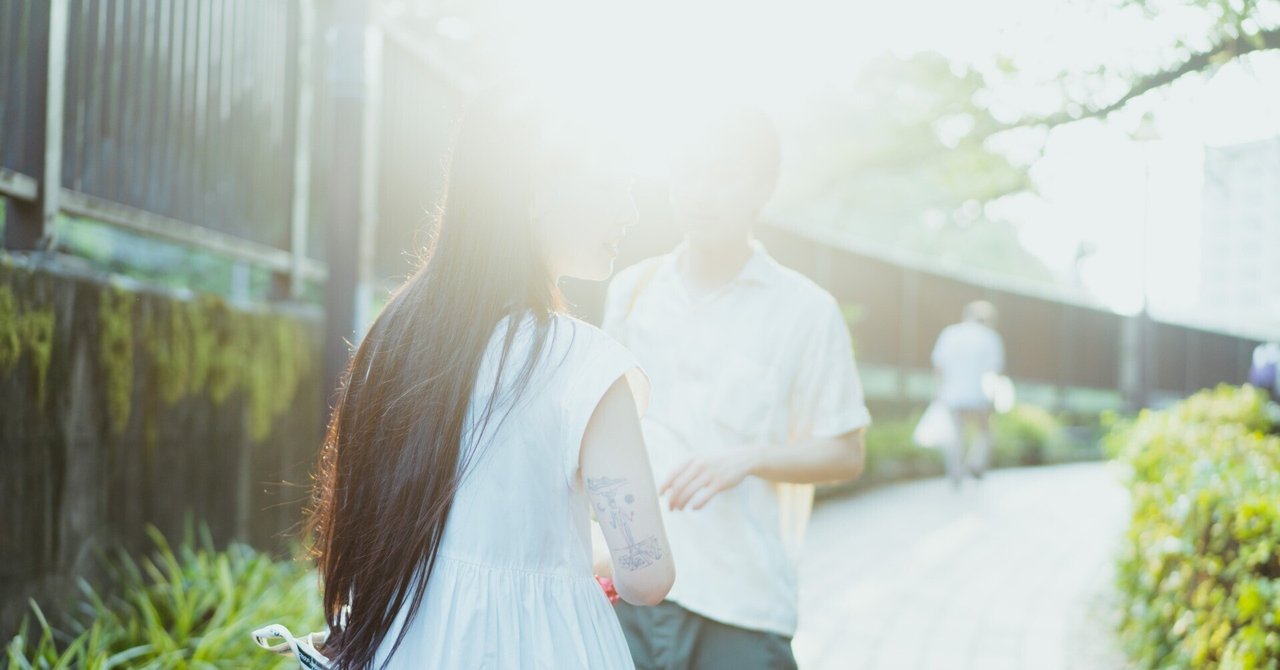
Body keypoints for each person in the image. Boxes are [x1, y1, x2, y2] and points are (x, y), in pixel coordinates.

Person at [304, 87, 675, 669]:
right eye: (610, 186)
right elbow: (647, 577)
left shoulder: (395, 335)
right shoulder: (586, 364)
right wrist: (582, 554)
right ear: (531, 194)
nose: (630, 211)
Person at [601, 105, 870, 670]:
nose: (701, 193)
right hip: (631, 592)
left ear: (762, 188)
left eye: (722, 175)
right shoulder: (631, 290)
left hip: (743, 605)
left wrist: (751, 459)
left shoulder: (807, 310)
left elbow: (847, 451)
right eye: (688, 173)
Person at [930, 301, 1006, 487]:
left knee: (957, 433)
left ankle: (955, 472)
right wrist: (995, 397)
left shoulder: (950, 333)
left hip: (952, 392)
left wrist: (938, 391)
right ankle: (976, 463)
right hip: (979, 394)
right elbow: (994, 370)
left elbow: (938, 366)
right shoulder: (990, 337)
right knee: (985, 431)